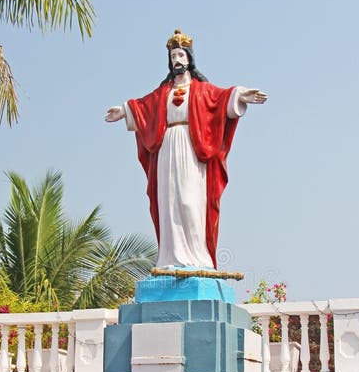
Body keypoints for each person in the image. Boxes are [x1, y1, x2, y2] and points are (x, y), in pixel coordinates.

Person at [105, 29, 267, 270]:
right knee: (168, 203)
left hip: (192, 149)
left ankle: (197, 257)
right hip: (167, 148)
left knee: (191, 202)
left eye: (180, 55)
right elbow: (142, 107)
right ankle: (169, 258)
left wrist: (242, 94)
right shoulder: (163, 93)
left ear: (189, 58)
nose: (177, 60)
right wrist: (124, 111)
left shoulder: (201, 90)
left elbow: (222, 97)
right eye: (173, 57)